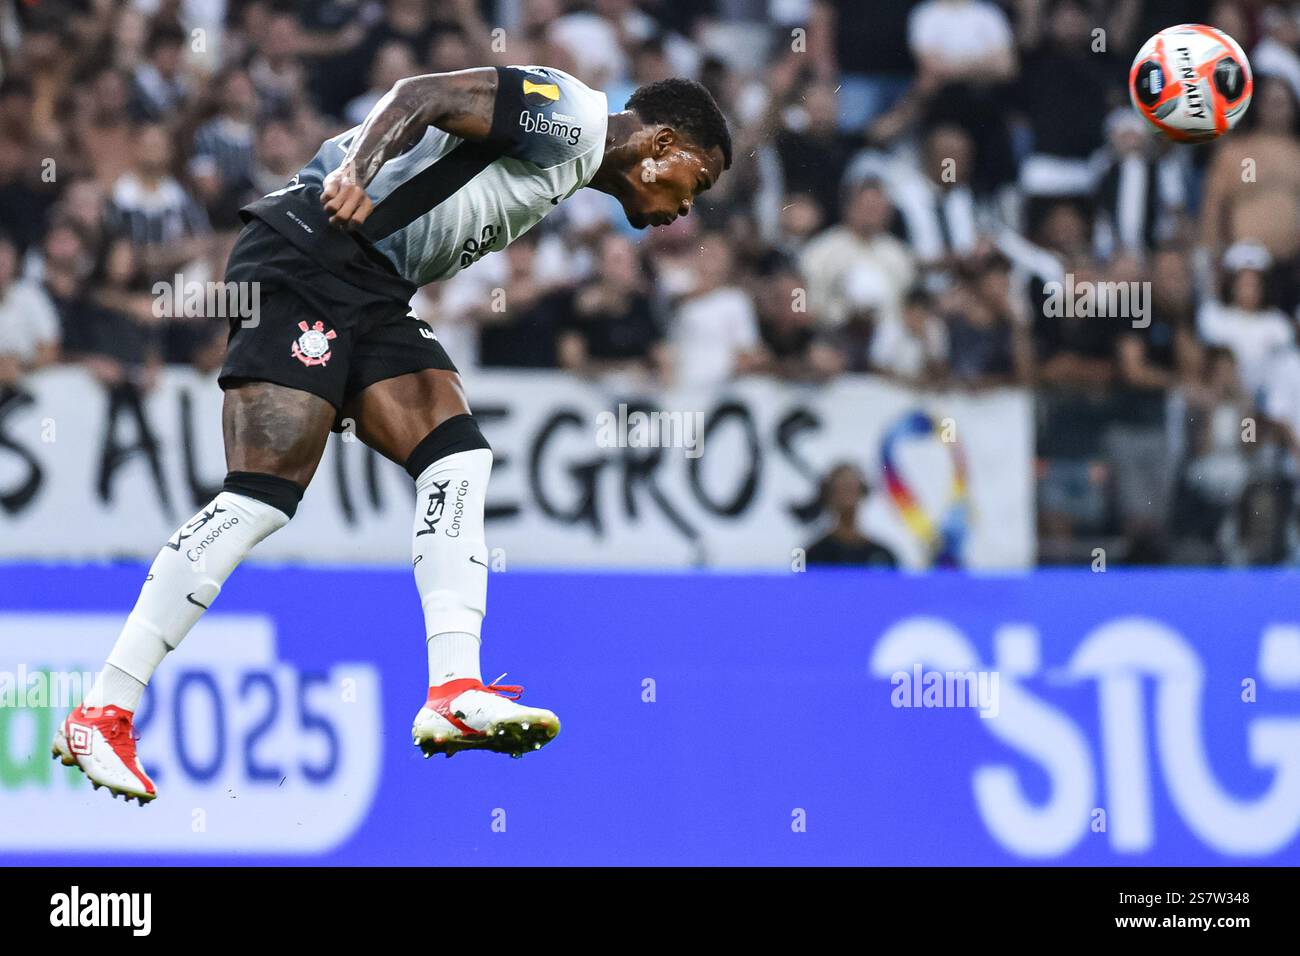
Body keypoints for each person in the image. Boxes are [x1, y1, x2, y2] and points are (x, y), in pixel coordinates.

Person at [54, 66, 732, 803]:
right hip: (310, 254)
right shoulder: (569, 115)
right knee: (262, 495)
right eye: (700, 179)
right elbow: (422, 95)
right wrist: (355, 173)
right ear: (662, 141)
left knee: (458, 455)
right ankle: (102, 710)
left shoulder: (572, 162)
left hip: (374, 291)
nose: (687, 207)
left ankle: (454, 690)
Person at [804, 463, 898, 567]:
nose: (847, 498)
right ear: (829, 496)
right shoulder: (813, 555)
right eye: (840, 490)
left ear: (862, 494)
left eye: (851, 489)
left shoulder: (883, 556)